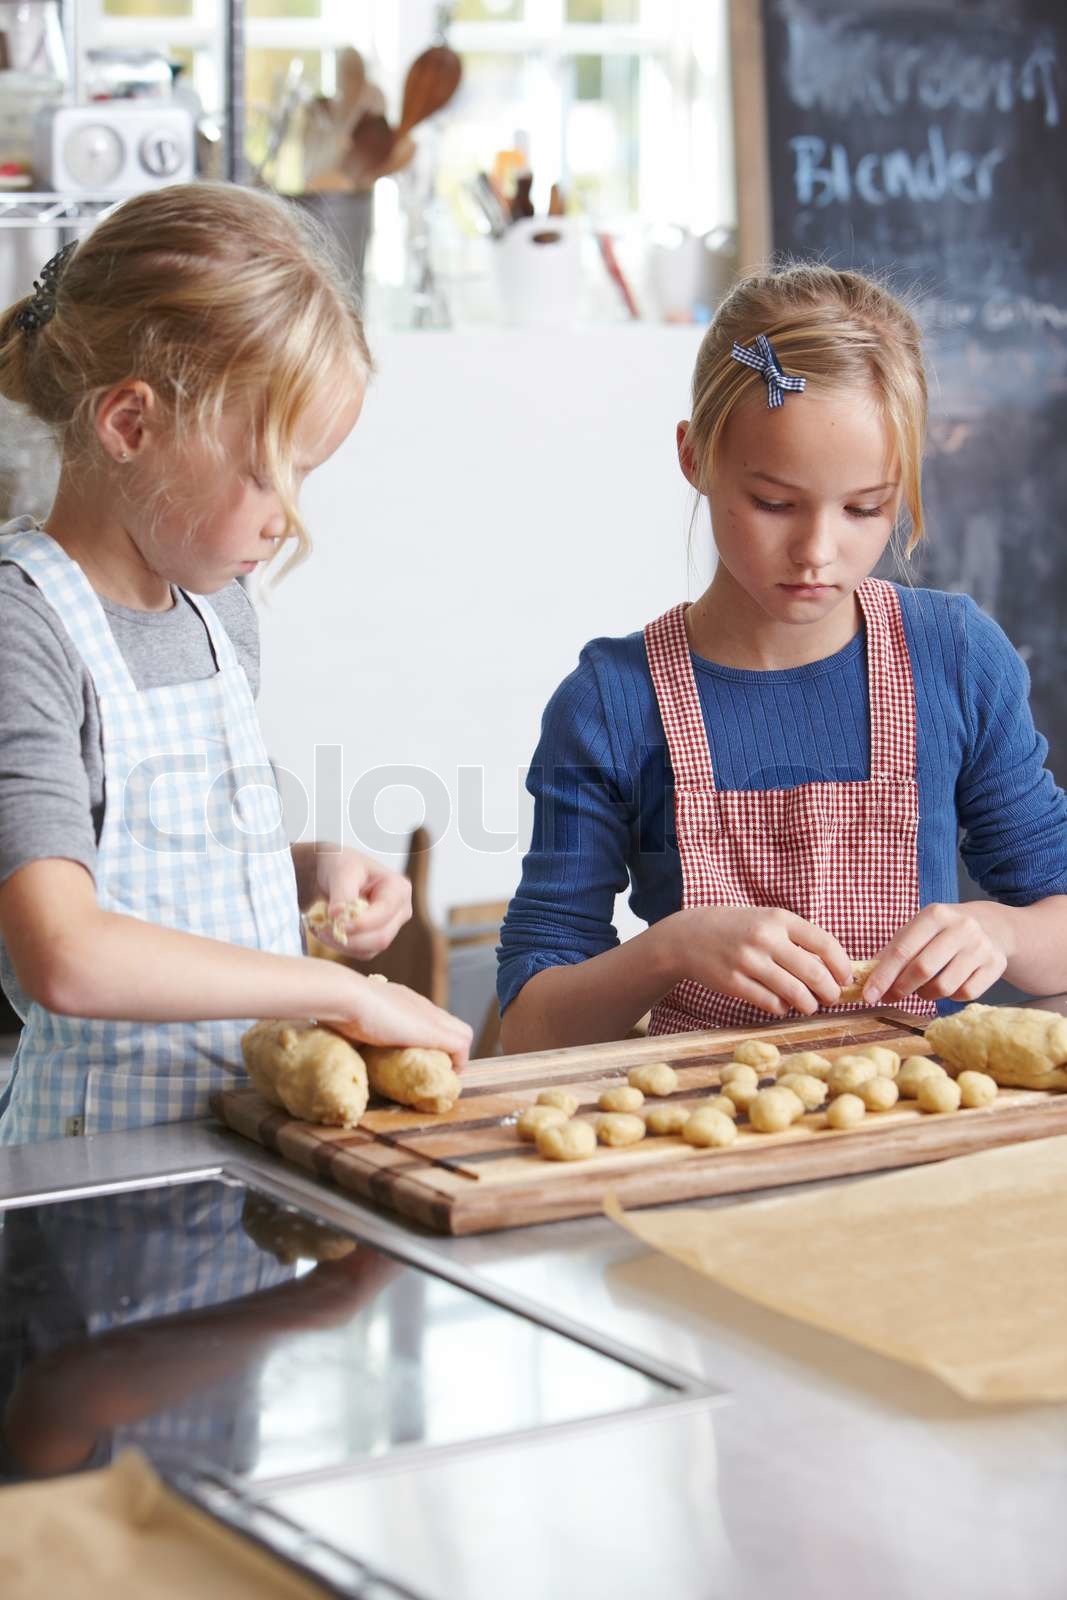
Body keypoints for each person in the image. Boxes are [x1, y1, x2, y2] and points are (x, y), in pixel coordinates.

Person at [0, 182, 470, 1145]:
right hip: (95, 1193)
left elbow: (165, 875)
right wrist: (335, 992)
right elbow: (68, 953)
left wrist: (305, 871)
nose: (285, 519)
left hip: (241, 1147)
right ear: (130, 426)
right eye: (266, 475)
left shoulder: (219, 614)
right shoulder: (24, 632)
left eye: (305, 478)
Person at [498, 263, 1067, 1051]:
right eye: (773, 503)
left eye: (864, 508)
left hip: (913, 1134)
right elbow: (526, 1029)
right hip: (709, 1143)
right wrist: (668, 950)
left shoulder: (954, 659)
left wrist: (1001, 933)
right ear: (694, 457)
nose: (815, 551)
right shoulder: (611, 702)